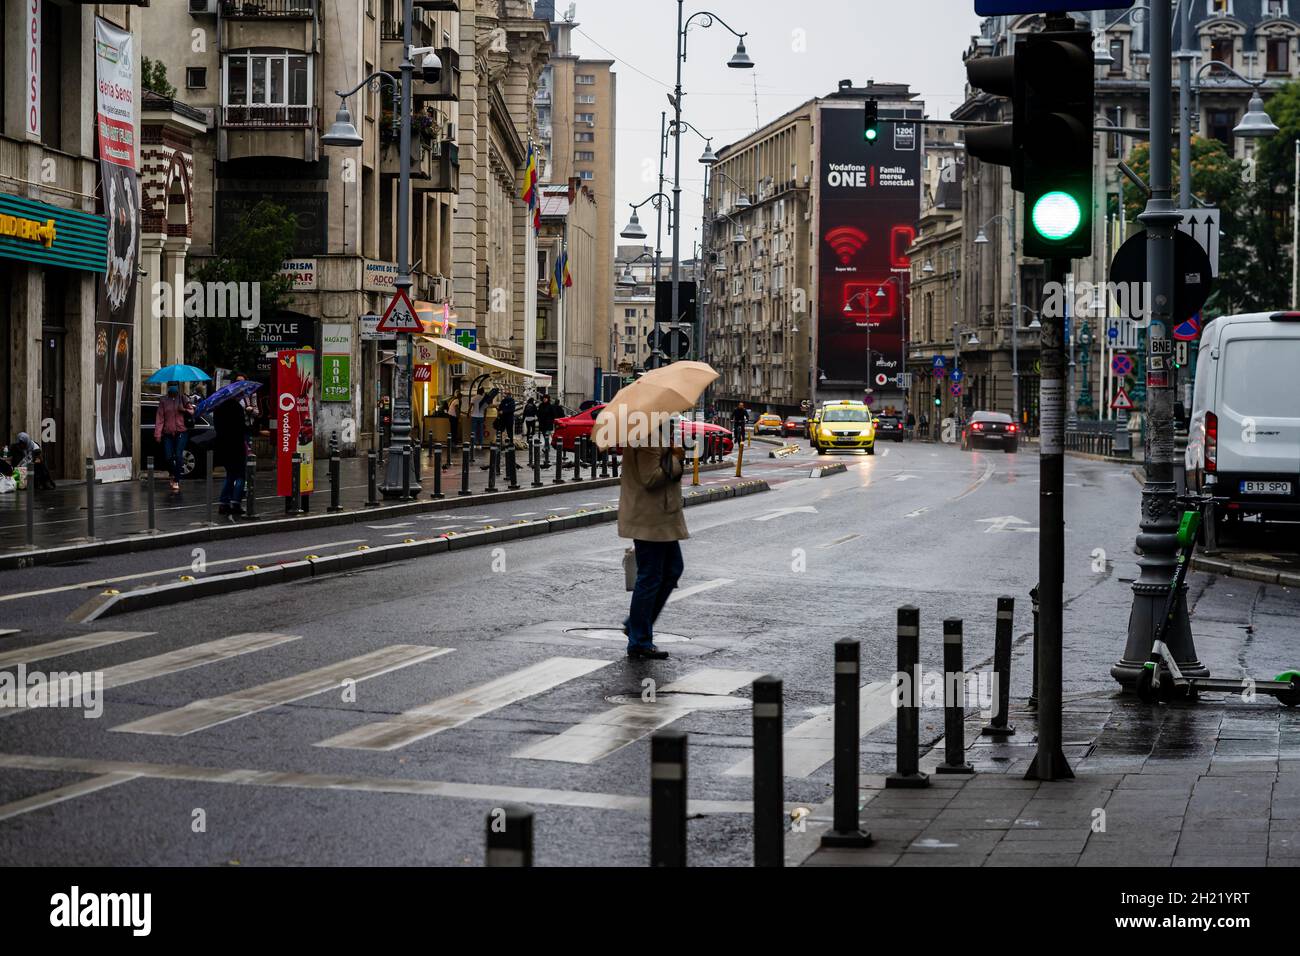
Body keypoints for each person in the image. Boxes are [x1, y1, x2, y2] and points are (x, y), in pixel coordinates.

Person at [619, 433, 688, 661]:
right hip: (651, 519)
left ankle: (637, 625)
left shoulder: (653, 435)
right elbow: (650, 478)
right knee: (650, 576)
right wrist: (676, 458)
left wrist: (672, 453)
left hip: (661, 518)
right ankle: (639, 639)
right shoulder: (646, 438)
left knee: (671, 570)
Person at [213, 387, 250, 517]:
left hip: (224, 446)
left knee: (230, 475)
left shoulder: (218, 408)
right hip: (236, 445)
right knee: (240, 475)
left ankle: (224, 503)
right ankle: (235, 502)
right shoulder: (237, 408)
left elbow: (217, 427)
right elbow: (241, 428)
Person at [154, 384, 194, 492]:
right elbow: (160, 418)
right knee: (168, 456)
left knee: (178, 454)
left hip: (181, 431)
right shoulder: (163, 401)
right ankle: (172, 473)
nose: (173, 390)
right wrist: (158, 433)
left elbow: (192, 411)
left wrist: (184, 409)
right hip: (168, 433)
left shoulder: (183, 398)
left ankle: (176, 480)